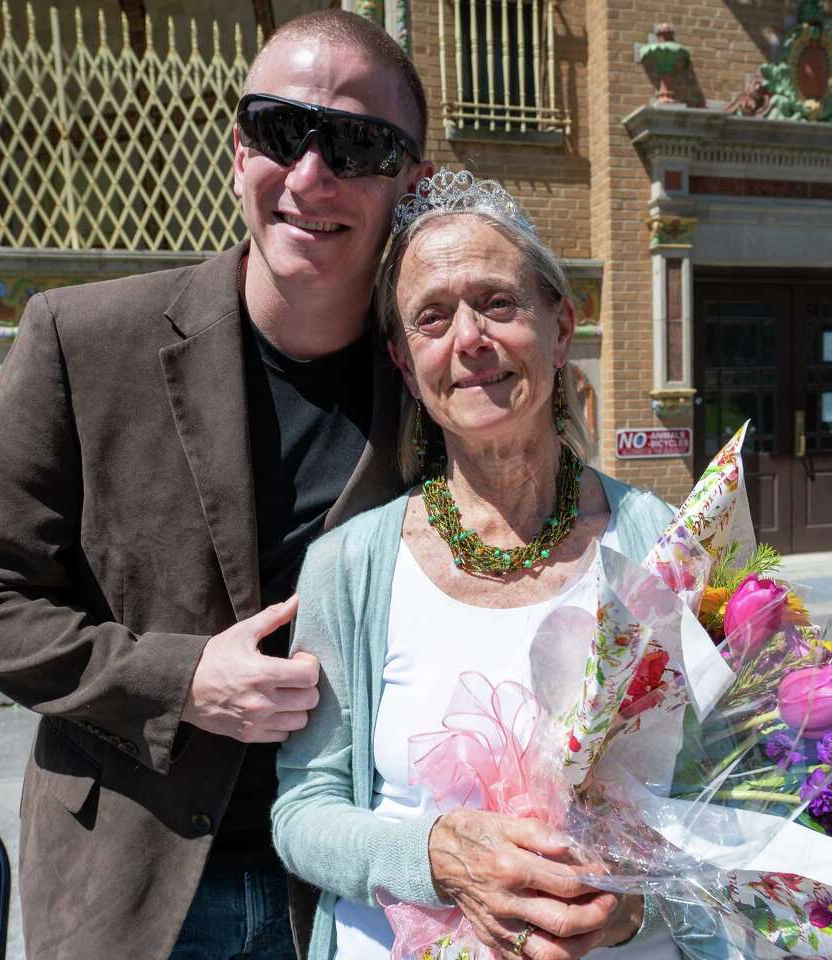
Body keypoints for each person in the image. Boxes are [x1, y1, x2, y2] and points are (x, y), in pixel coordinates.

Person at [0, 12, 433, 960]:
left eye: (359, 143)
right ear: (240, 151)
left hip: (349, 892)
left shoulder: (436, 380)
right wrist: (178, 678)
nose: (311, 175)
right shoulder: (82, 338)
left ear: (414, 180)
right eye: (282, 131)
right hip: (132, 878)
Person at [272, 170, 683, 960]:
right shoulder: (350, 565)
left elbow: (723, 789)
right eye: (432, 318)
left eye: (498, 302)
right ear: (403, 360)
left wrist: (634, 904)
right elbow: (302, 811)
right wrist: (435, 857)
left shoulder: (657, 540)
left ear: (561, 329)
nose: (470, 340)